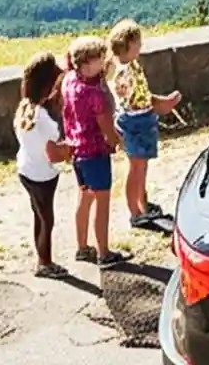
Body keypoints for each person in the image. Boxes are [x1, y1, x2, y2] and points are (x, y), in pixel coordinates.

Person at [61, 35, 131, 269]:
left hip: (77, 151)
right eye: (100, 59)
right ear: (87, 62)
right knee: (102, 201)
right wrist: (120, 142)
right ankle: (104, 252)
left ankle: (82, 246)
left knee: (84, 197)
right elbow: (106, 128)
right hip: (95, 153)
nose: (103, 62)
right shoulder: (95, 95)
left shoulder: (70, 81)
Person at [106, 18, 182, 230]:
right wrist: (162, 102)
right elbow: (135, 99)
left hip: (140, 118)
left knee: (141, 165)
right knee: (136, 167)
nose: (141, 46)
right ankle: (135, 212)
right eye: (137, 43)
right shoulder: (123, 72)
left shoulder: (129, 65)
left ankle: (142, 204)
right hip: (135, 121)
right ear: (127, 45)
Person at [13, 51, 73, 279]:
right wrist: (70, 149)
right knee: (47, 219)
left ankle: (41, 257)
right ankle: (45, 262)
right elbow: (53, 154)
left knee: (38, 215)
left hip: (26, 170)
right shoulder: (44, 121)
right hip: (43, 177)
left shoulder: (24, 110)